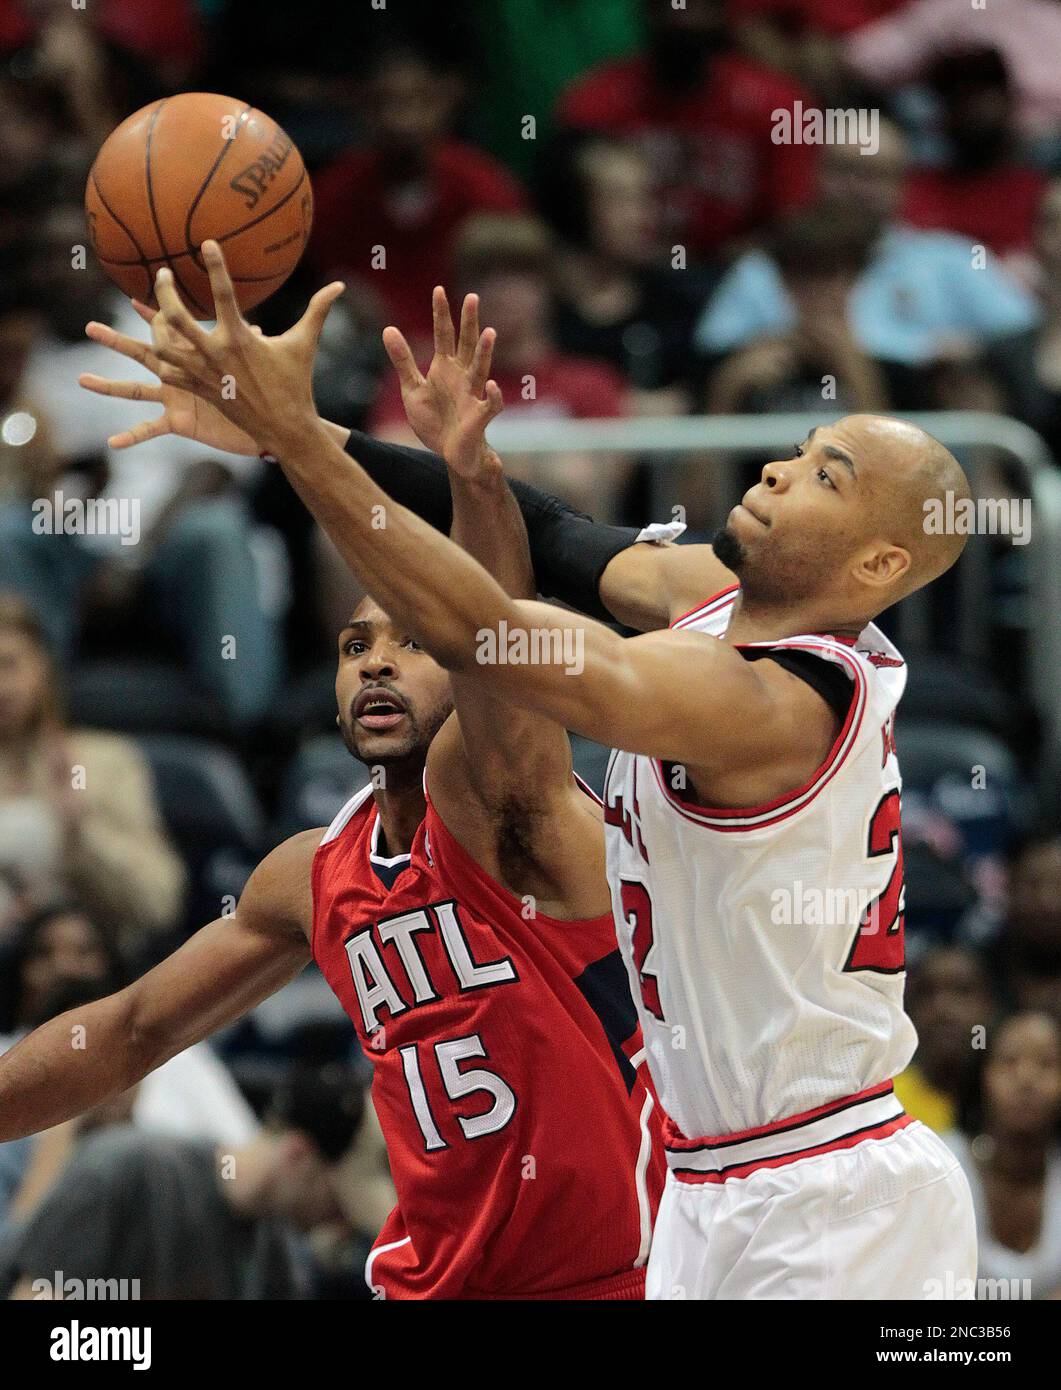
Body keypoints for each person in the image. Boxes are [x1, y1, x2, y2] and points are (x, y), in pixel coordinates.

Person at [125, 244, 980, 1299]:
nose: (774, 469)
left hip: (831, 1193)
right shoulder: (711, 603)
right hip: (711, 1183)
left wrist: (301, 443)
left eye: (821, 478)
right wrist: (291, 432)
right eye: (797, 451)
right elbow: (554, 532)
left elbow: (487, 635)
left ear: (879, 566)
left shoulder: (770, 701)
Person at [0, 293, 664, 1301]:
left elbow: (494, 630)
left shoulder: (518, 811)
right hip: (424, 1282)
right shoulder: (315, 874)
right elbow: (129, 1032)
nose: (376, 667)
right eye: (356, 646)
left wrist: (471, 477)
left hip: (609, 1278)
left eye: (408, 642)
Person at [3, 1065, 362, 1301]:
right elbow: (34, 1294)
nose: (340, 1221)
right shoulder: (127, 1166)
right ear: (297, 1155)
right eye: (336, 1199)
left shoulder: (276, 1252)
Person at [0, 594, 185, 947]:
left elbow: (159, 903)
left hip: (96, 971)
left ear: (42, 667)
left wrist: (81, 831)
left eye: (8, 664)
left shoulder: (106, 762)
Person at [945, 1011, 1061, 1299]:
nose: (1026, 1079)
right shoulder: (940, 1164)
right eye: (1009, 1061)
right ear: (981, 1073)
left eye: (1046, 1064)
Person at [894, 945, 996, 1132]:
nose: (942, 1008)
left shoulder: (1011, 1101)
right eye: (927, 993)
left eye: (962, 991)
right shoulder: (887, 1102)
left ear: (989, 1005)